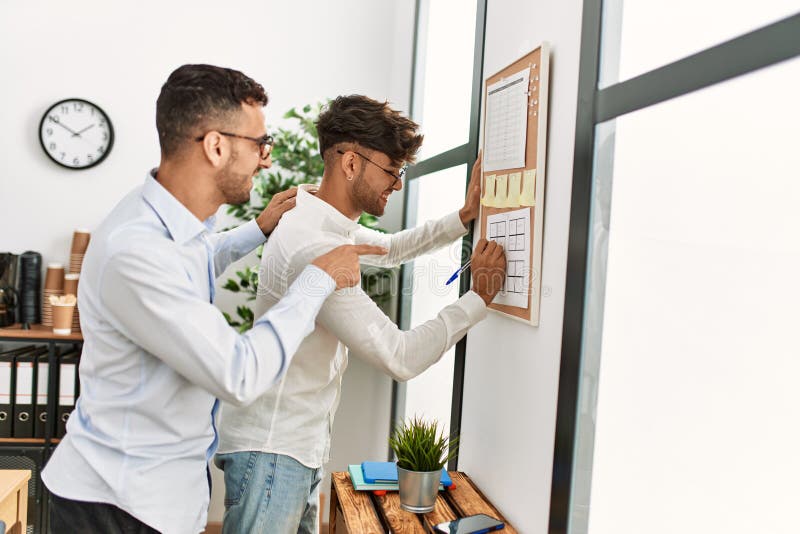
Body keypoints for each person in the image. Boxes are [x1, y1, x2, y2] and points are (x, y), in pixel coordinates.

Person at [41, 66, 386, 534]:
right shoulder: (136, 250)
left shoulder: (167, 217)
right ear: (217, 146)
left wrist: (258, 230)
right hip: (118, 504)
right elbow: (239, 373)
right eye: (260, 144)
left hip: (159, 491)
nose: (266, 160)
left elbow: (199, 255)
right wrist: (315, 281)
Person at [215, 95, 506, 533]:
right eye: (392, 170)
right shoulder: (314, 245)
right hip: (275, 453)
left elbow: (389, 250)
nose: (398, 183)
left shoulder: (319, 215)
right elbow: (401, 356)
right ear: (351, 163)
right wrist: (477, 299)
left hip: (289, 448)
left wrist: (463, 217)